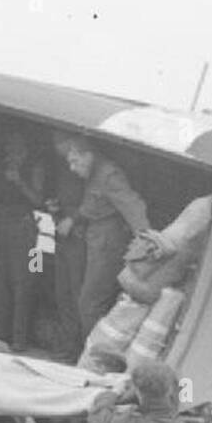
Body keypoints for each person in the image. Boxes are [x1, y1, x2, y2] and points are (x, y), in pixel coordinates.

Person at [54, 134, 150, 338]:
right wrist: (74, 219)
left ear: (88, 155)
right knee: (89, 301)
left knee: (89, 304)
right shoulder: (94, 173)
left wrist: (145, 241)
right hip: (96, 240)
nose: (72, 168)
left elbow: (133, 206)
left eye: (75, 161)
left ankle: (95, 356)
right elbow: (93, 204)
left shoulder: (108, 174)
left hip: (108, 243)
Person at [0, 132, 44, 349]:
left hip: (24, 227)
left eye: (15, 147)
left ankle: (19, 340)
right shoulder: (0, 164)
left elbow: (39, 200)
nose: (11, 151)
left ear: (24, 147)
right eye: (9, 147)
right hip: (0, 223)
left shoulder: (35, 167)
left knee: (23, 281)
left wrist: (19, 181)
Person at [48, 152, 87, 359]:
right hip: (59, 240)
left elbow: (92, 205)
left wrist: (72, 219)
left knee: (76, 294)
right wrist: (55, 211)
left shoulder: (86, 177)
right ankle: (67, 345)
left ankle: (76, 347)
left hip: (78, 240)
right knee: (62, 293)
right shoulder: (63, 173)